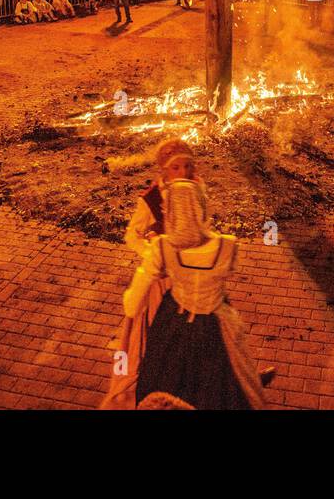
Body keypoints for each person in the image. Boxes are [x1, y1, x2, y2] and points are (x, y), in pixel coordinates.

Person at [112, 174, 266, 409]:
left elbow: (131, 305)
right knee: (226, 380)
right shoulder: (227, 245)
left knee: (164, 382)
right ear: (202, 207)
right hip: (214, 325)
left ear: (170, 212)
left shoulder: (162, 248)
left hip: (173, 323)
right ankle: (246, 382)